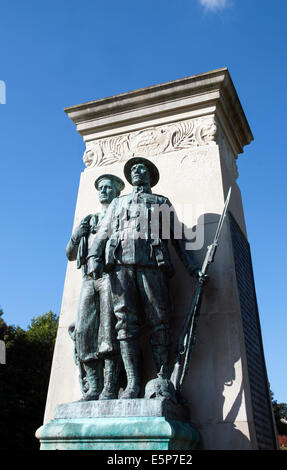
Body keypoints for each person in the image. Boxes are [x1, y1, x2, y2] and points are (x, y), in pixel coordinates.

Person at [88, 157, 202, 399]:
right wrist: (94, 257)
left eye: (141, 168)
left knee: (159, 321)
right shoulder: (118, 203)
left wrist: (192, 267)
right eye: (133, 169)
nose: (137, 171)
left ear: (150, 174)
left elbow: (178, 238)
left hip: (152, 264)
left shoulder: (161, 202)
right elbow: (103, 233)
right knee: (124, 324)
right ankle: (132, 384)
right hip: (120, 265)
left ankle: (162, 376)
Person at [66, 173, 125, 400]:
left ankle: (110, 387)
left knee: (108, 331)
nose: (104, 191)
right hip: (88, 279)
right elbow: (70, 254)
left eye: (109, 187)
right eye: (101, 187)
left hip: (110, 277)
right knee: (83, 331)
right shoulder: (89, 221)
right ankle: (93, 386)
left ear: (117, 192)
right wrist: (76, 236)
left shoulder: (120, 216)